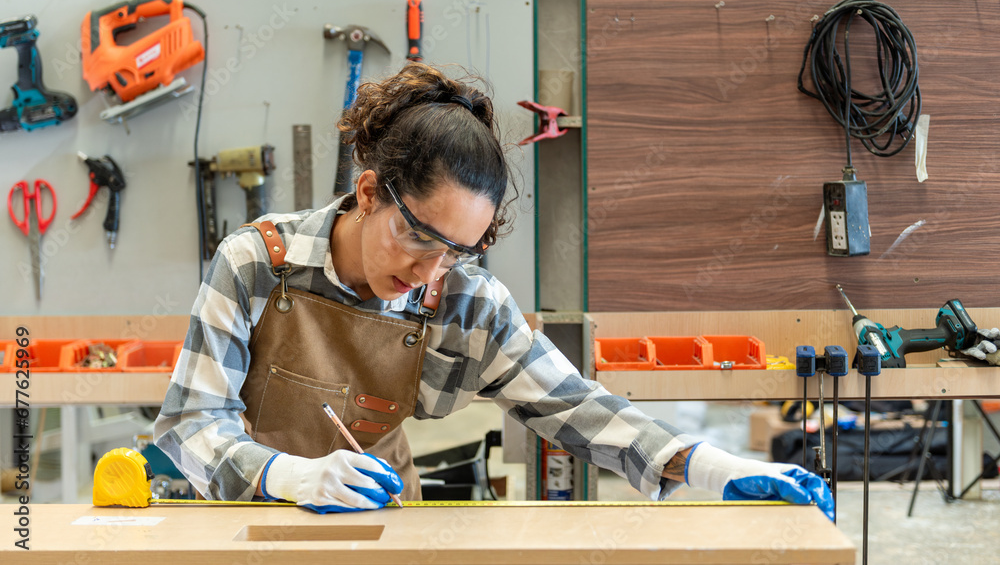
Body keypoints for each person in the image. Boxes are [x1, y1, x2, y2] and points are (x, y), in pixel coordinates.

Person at [154, 62, 834, 519]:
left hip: (383, 528)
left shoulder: (466, 304)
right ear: (369, 192)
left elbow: (578, 409)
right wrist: (288, 476)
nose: (430, 273)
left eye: (458, 251)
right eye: (419, 237)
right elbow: (190, 424)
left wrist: (711, 467)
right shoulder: (253, 263)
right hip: (242, 523)